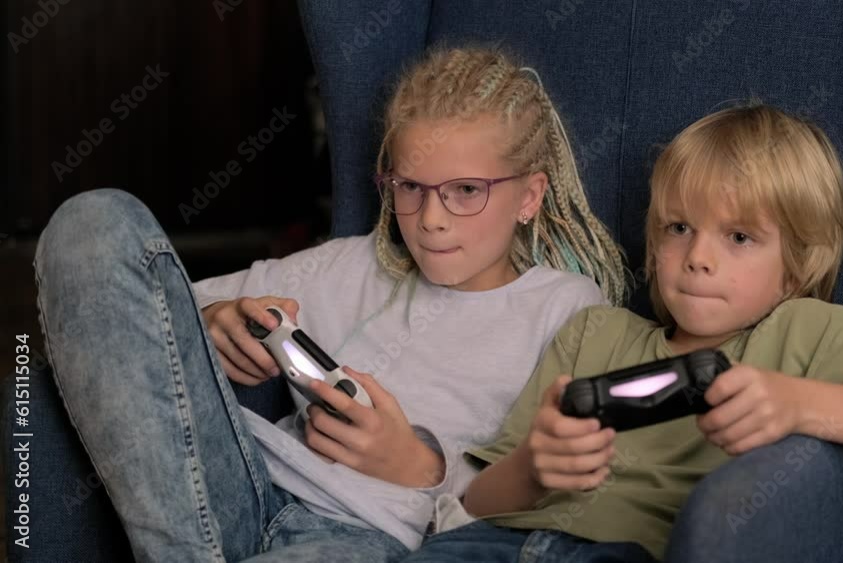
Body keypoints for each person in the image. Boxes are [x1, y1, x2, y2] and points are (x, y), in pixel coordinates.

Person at [33, 46, 629, 562]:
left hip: (368, 535)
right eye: (409, 188)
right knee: (95, 221)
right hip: (236, 482)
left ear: (529, 196)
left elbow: (560, 475)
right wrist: (213, 321)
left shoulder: (566, 307)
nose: (432, 220)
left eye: (466, 191)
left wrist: (423, 467)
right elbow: (139, 311)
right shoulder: (350, 264)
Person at [403, 102, 843, 563]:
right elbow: (473, 506)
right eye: (679, 227)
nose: (698, 258)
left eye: (739, 237)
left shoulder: (807, 330)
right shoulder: (593, 331)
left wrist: (803, 404)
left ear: (798, 263)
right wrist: (534, 466)